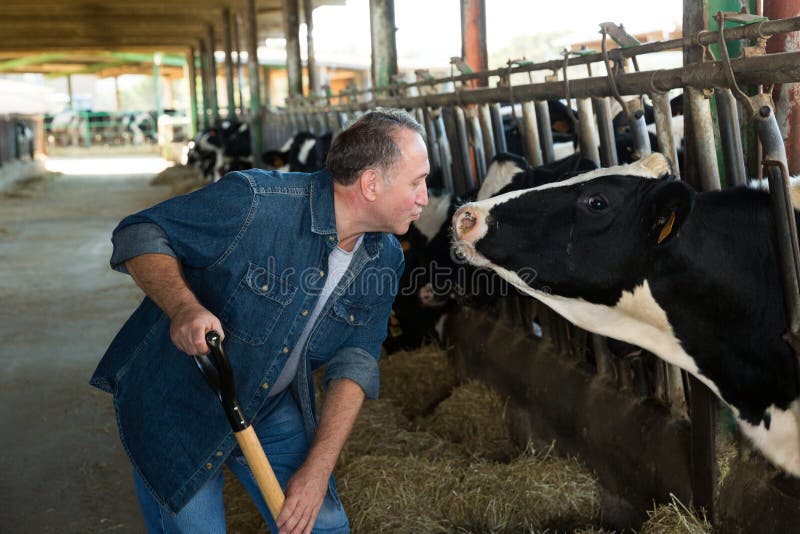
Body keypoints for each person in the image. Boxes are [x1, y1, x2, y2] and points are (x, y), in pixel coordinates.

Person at [90, 108, 430, 533]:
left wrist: (317, 470)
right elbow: (138, 233)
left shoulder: (384, 257)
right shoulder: (256, 203)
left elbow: (356, 359)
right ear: (371, 183)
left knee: (322, 526)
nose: (425, 198)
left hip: (267, 402)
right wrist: (184, 308)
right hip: (178, 403)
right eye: (417, 182)